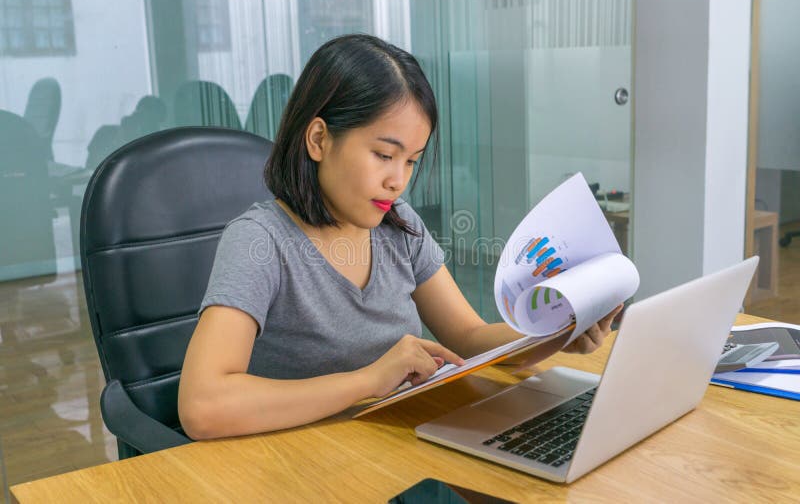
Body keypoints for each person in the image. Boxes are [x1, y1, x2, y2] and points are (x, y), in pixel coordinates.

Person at [178, 34, 622, 440]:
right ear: (318, 139)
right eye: (384, 155)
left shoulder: (399, 225)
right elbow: (203, 406)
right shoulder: (260, 242)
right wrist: (370, 380)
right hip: (304, 464)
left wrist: (554, 334)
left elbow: (468, 337)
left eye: (411, 161)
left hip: (394, 443)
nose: (398, 180)